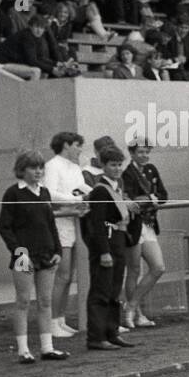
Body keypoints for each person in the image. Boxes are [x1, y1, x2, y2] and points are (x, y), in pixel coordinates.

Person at [0, 151, 68, 363]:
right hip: (24, 255)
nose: (38, 172)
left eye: (40, 168)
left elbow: (50, 224)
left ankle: (47, 347)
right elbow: (5, 227)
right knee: (23, 300)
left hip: (46, 253)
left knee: (45, 301)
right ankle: (23, 350)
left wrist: (58, 251)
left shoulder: (44, 193)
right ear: (22, 170)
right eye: (33, 168)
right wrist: (20, 252)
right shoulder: (13, 193)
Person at [80, 143, 139, 350]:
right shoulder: (100, 190)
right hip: (105, 241)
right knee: (101, 291)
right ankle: (96, 337)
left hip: (118, 240)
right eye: (113, 165)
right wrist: (104, 251)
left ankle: (112, 331)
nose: (117, 169)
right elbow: (96, 224)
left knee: (114, 290)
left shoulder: (117, 188)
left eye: (119, 165)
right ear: (103, 165)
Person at [42, 131, 89, 338]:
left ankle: (60, 319)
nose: (79, 149)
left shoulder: (75, 167)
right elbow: (50, 193)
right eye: (77, 145)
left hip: (74, 222)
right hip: (59, 224)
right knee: (61, 275)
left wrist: (90, 195)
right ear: (67, 145)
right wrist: (74, 200)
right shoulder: (52, 166)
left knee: (69, 276)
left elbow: (81, 188)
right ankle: (51, 321)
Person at [121, 142, 168, 328]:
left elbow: (164, 195)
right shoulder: (127, 173)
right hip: (134, 224)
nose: (145, 155)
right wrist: (150, 199)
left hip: (148, 223)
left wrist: (150, 200)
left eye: (147, 152)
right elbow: (131, 200)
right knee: (133, 269)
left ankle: (131, 305)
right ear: (132, 153)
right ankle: (137, 314)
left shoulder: (151, 169)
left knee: (158, 267)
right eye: (141, 152)